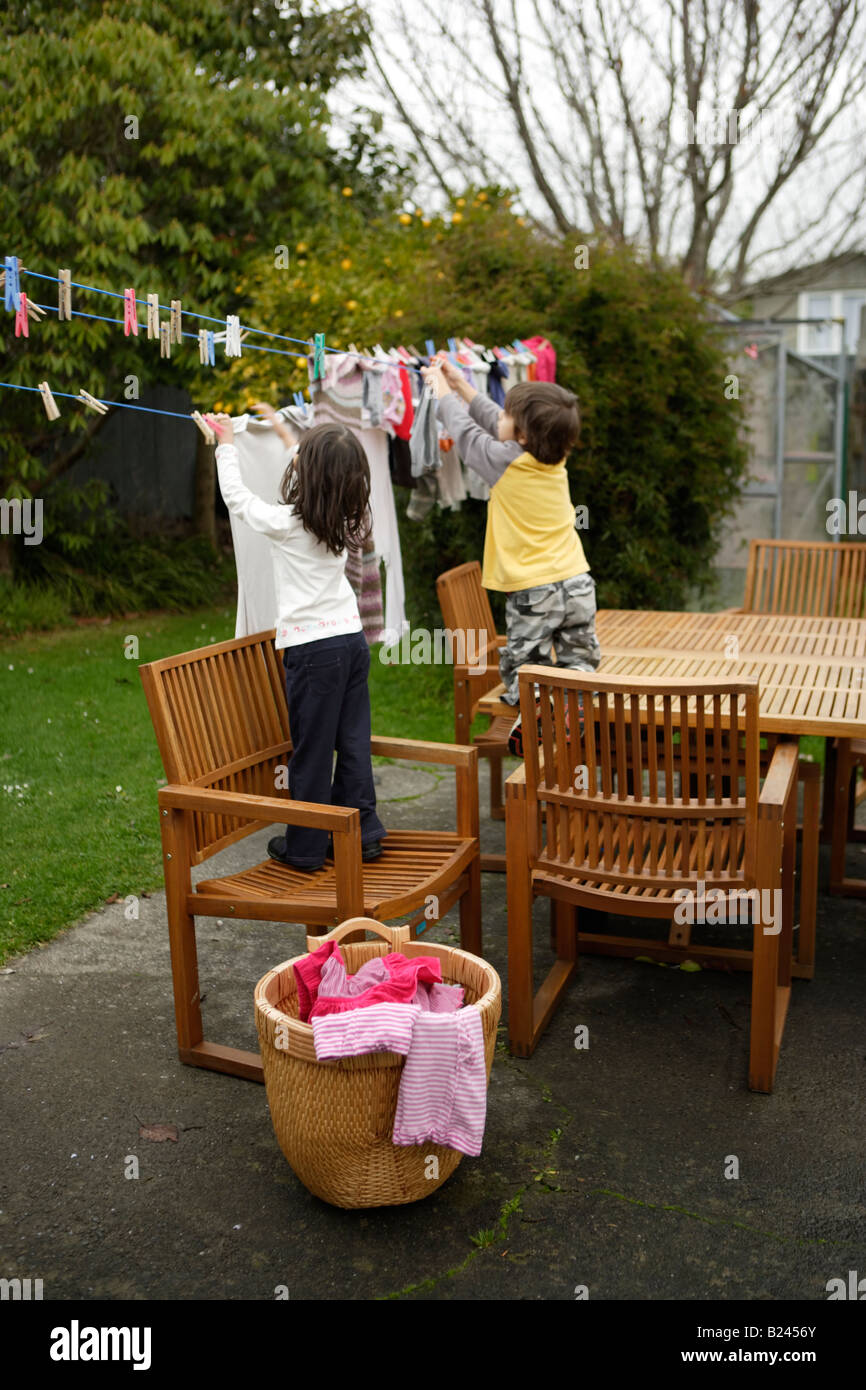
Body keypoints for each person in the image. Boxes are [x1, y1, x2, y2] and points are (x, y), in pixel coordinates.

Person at [211, 406, 386, 870]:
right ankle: (364, 831)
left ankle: (306, 847)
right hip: (351, 643)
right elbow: (315, 465)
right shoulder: (349, 515)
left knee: (310, 749)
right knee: (352, 742)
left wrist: (225, 442)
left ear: (308, 474)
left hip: (315, 654)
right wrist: (287, 430)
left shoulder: (289, 522)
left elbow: (236, 498)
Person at [420, 358, 600, 704]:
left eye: (507, 415)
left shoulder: (503, 462)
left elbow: (463, 430)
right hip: (577, 582)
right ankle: (572, 710)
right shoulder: (555, 454)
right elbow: (494, 421)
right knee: (578, 663)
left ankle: (536, 721)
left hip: (534, 592)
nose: (498, 417)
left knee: (524, 669)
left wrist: (440, 389)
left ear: (523, 435)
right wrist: (460, 385)